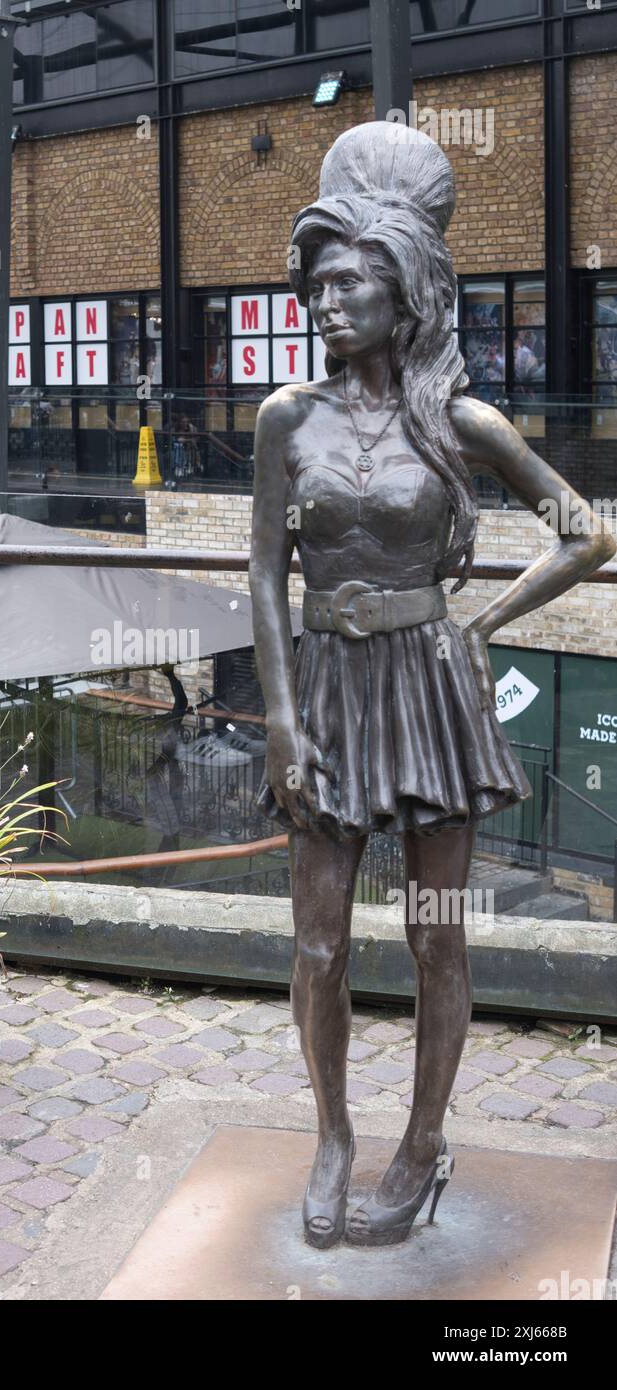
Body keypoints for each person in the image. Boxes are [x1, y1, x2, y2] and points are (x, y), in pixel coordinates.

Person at [249, 121, 614, 1250]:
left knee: (438, 932)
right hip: (325, 691)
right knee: (317, 942)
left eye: (351, 284)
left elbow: (584, 532)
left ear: (406, 294)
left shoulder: (463, 422)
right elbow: (263, 573)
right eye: (317, 286)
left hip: (430, 691)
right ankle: (332, 1136)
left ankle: (421, 1139)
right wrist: (277, 718)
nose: (326, 304)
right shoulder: (285, 420)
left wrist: (484, 622)